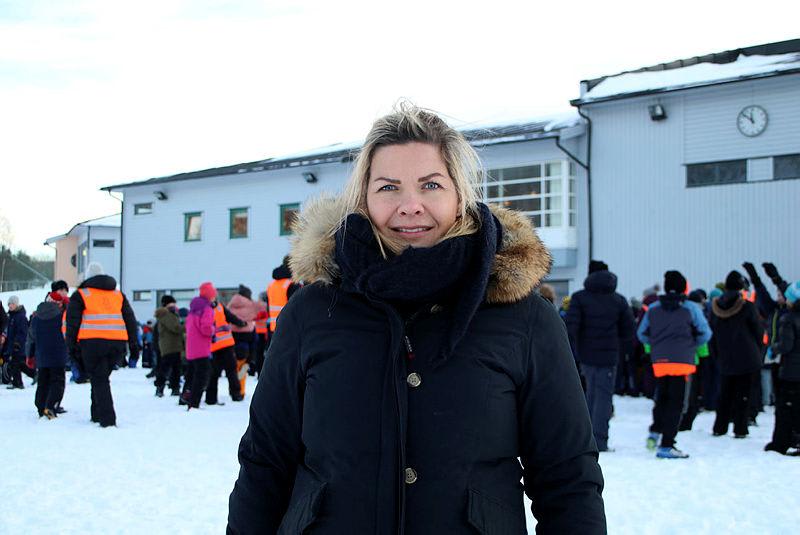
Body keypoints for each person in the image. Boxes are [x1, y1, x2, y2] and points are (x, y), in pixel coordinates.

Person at [227, 105, 605, 533]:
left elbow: (567, 476)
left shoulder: (524, 317)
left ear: (459, 197)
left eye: (431, 185)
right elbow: (265, 461)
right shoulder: (312, 311)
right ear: (364, 199)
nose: (410, 206)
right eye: (389, 187)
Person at [637, 271, 711, 458]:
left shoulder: (653, 308)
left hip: (660, 361)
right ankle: (667, 444)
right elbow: (705, 333)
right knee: (676, 403)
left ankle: (655, 431)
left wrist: (656, 345)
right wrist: (691, 344)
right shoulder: (691, 308)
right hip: (683, 361)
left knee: (661, 397)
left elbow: (642, 333)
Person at [565, 260, 635, 452]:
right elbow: (629, 331)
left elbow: (570, 329)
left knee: (588, 395)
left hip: (585, 355)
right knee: (603, 397)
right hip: (609, 356)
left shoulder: (579, 298)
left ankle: (585, 439)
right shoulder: (619, 300)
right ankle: (600, 441)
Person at [65, 262, 139, 427]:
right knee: (100, 376)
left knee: (99, 379)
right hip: (117, 343)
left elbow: (72, 322)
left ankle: (107, 419)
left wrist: (71, 345)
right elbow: (130, 319)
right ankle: (96, 414)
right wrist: (134, 344)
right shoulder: (118, 295)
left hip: (92, 342)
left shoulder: (81, 295)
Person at [710, 270, 764, 439]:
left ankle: (720, 427)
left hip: (725, 356)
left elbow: (712, 333)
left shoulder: (715, 307)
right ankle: (740, 428)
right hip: (747, 357)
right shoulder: (747, 307)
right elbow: (758, 331)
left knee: (725, 393)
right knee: (744, 394)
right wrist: (758, 350)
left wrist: (717, 354)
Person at [765, 280, 800, 455]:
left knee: (785, 408)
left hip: (792, 371)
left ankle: (781, 442)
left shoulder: (789, 319)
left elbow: (786, 345)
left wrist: (774, 349)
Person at [25, 291, 69, 418]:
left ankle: (41, 406)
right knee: (57, 382)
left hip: (41, 355)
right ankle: (51, 406)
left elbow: (31, 338)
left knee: (43, 381)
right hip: (58, 354)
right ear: (59, 303)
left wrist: (29, 355)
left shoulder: (36, 317)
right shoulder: (62, 316)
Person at [205, 295, 247, 405]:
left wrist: (241, 323)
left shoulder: (219, 306)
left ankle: (234, 395)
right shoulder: (207, 309)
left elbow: (231, 317)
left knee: (229, 371)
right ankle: (213, 398)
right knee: (217, 373)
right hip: (215, 347)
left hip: (225, 345)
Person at [184, 282, 215, 410]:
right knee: (202, 376)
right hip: (202, 347)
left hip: (191, 347)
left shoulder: (193, 308)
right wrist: (213, 330)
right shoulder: (207, 309)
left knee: (192, 375)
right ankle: (194, 403)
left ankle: (187, 399)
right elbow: (206, 327)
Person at [227, 284, 260, 396]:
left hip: (232, 342)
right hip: (246, 342)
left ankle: (233, 390)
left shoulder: (231, 305)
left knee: (233, 369)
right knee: (242, 369)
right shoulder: (250, 306)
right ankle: (240, 391)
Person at [154, 295, 184, 397]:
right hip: (169, 346)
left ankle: (174, 387)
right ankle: (161, 387)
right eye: (172, 303)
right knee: (167, 368)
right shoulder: (166, 315)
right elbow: (175, 328)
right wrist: (186, 326)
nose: (174, 306)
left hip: (174, 345)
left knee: (175, 368)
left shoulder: (170, 314)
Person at [3, 295, 31, 389]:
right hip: (11, 344)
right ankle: (31, 375)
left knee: (15, 363)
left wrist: (17, 342)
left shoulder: (20, 316)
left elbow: (22, 331)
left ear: (16, 304)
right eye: (9, 304)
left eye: (12, 304)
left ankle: (18, 382)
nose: (10, 306)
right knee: (17, 363)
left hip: (18, 345)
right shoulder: (11, 316)